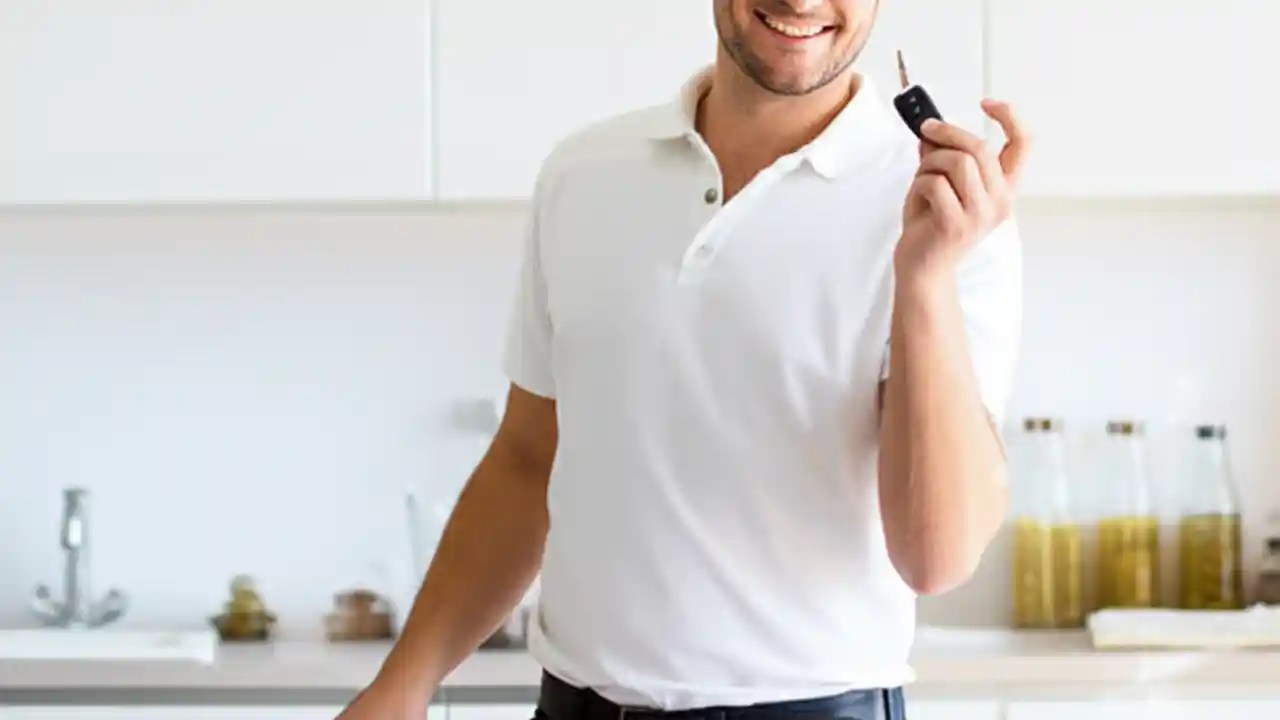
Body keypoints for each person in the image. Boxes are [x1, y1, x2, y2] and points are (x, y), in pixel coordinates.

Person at [340, 0, 1028, 718]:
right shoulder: (585, 173)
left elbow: (937, 557)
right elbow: (527, 459)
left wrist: (924, 279)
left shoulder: (949, 211)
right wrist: (403, 685)